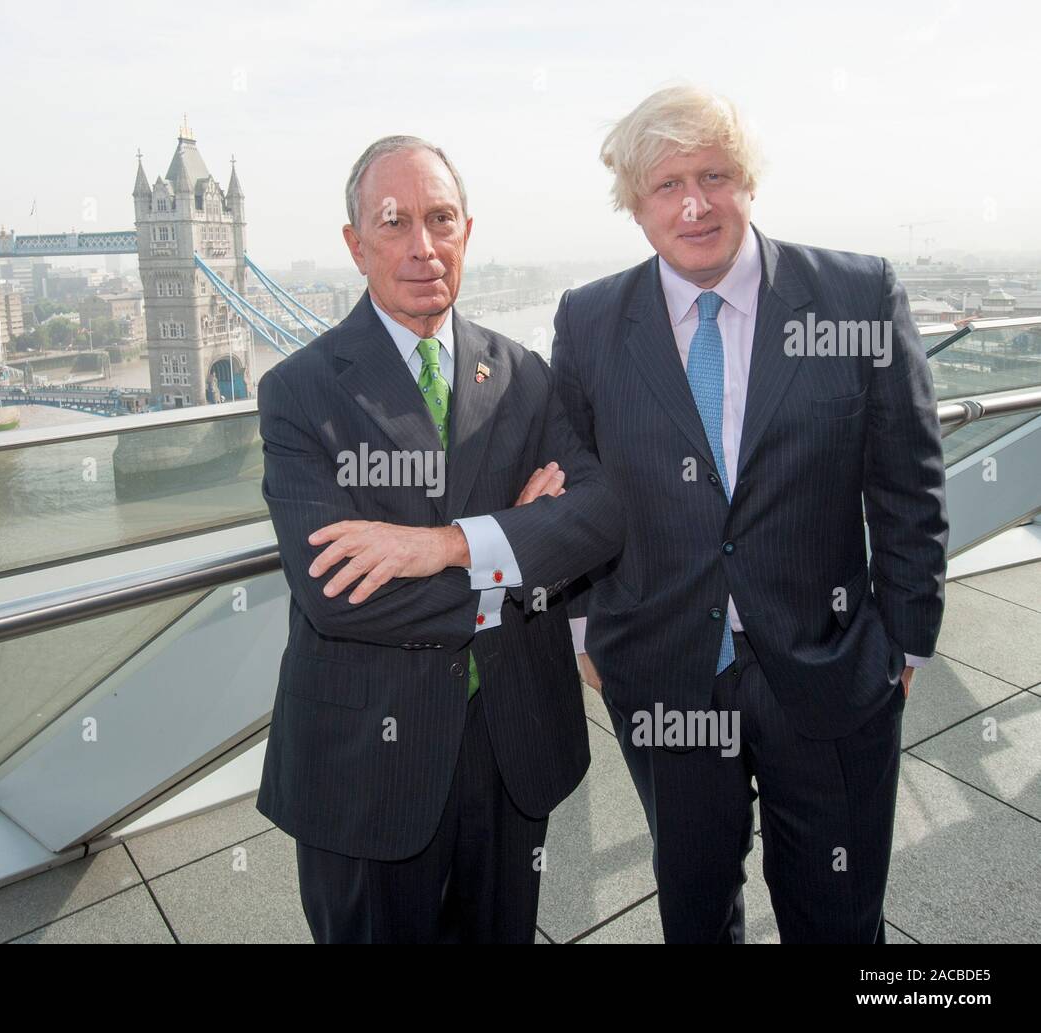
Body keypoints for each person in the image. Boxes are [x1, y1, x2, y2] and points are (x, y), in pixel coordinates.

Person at [557, 85, 948, 943]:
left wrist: (906, 641)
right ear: (635, 203)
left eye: (714, 176)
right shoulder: (588, 321)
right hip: (664, 672)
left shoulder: (856, 295)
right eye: (667, 185)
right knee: (694, 904)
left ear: (749, 182)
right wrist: (585, 629)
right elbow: (578, 488)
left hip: (832, 669)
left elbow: (908, 482)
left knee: (839, 915)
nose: (694, 205)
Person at [255, 135, 624, 943]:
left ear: (467, 232)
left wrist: (447, 545)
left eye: (442, 218)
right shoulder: (299, 392)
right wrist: (519, 543)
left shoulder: (523, 373)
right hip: (369, 766)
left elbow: (599, 515)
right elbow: (337, 594)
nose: (423, 246)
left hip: (511, 744)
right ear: (355, 245)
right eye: (394, 223)